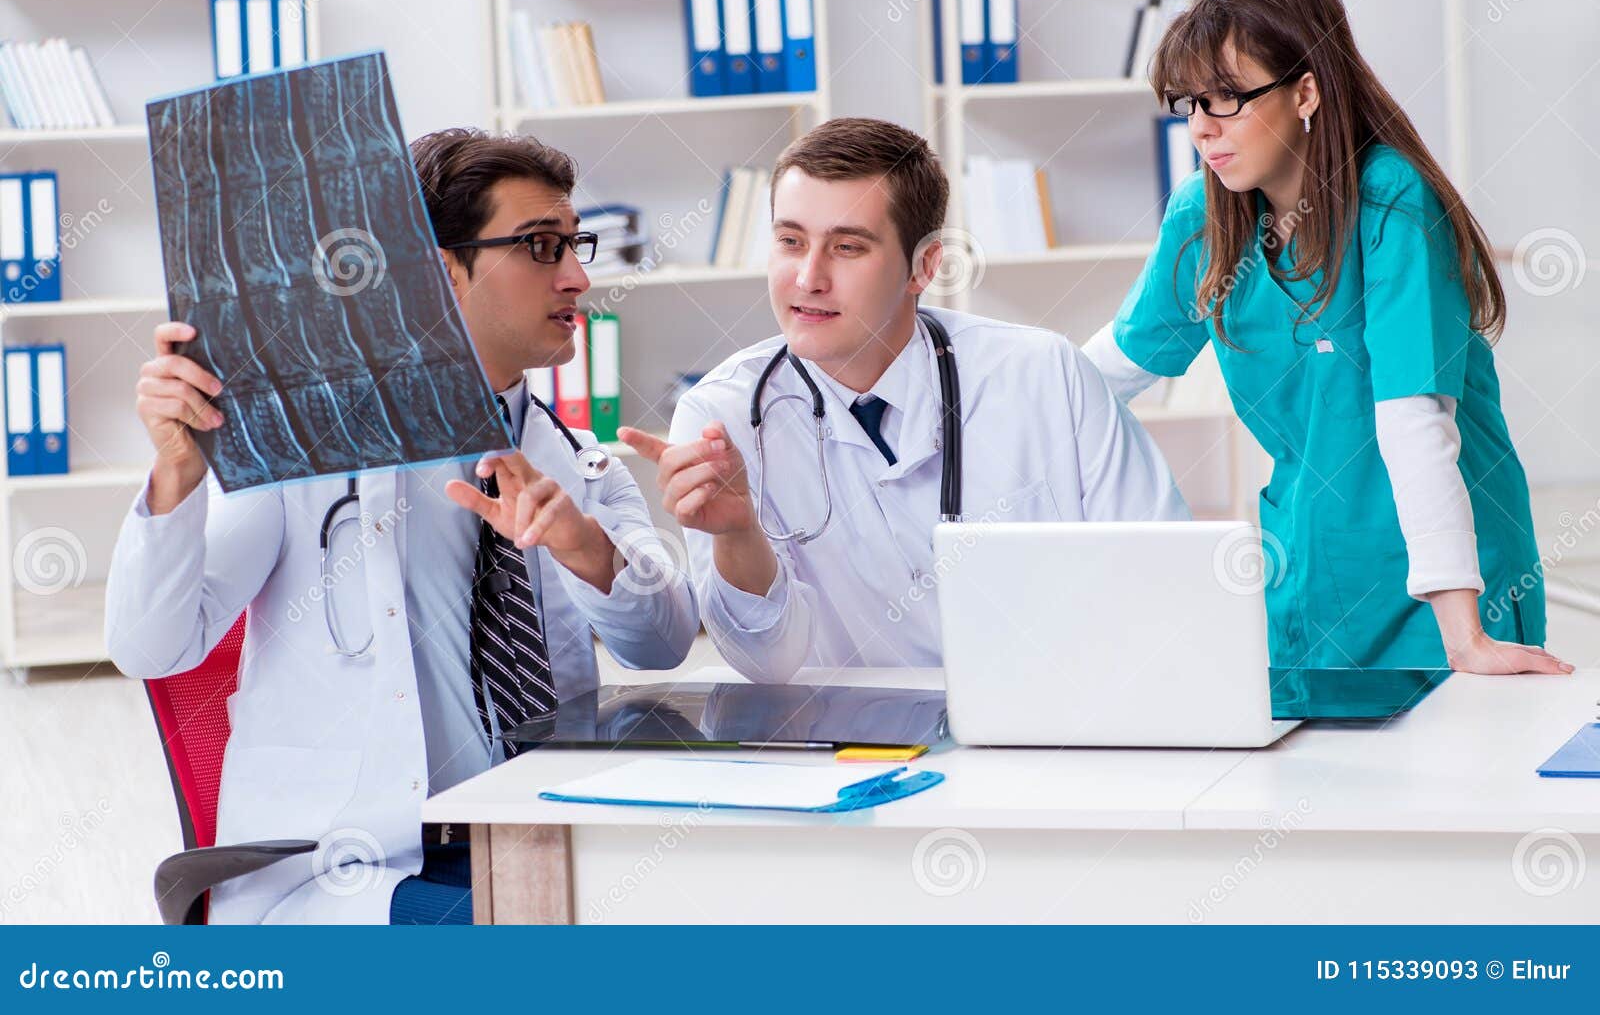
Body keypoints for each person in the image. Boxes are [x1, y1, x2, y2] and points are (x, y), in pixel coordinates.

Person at [104, 129, 699, 924]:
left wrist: (585, 549)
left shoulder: (581, 462)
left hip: (529, 837)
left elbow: (660, 642)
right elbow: (153, 646)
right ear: (438, 272)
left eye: (575, 245)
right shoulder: (303, 451)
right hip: (352, 866)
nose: (579, 276)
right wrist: (177, 474)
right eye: (541, 247)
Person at [1083, 0, 1570, 677]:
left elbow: (1414, 419)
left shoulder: (1392, 205)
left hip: (1449, 583)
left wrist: (1465, 638)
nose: (1203, 131)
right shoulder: (1204, 218)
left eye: (1228, 100)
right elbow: (1107, 371)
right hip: (1312, 571)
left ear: (1305, 90)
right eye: (1189, 104)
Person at [621, 117, 1187, 683]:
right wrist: (739, 535)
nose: (808, 278)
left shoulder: (1045, 374)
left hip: (1054, 725)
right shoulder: (720, 416)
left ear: (925, 266)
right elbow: (768, 665)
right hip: (854, 747)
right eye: (790, 242)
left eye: (846, 247)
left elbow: (1165, 579)